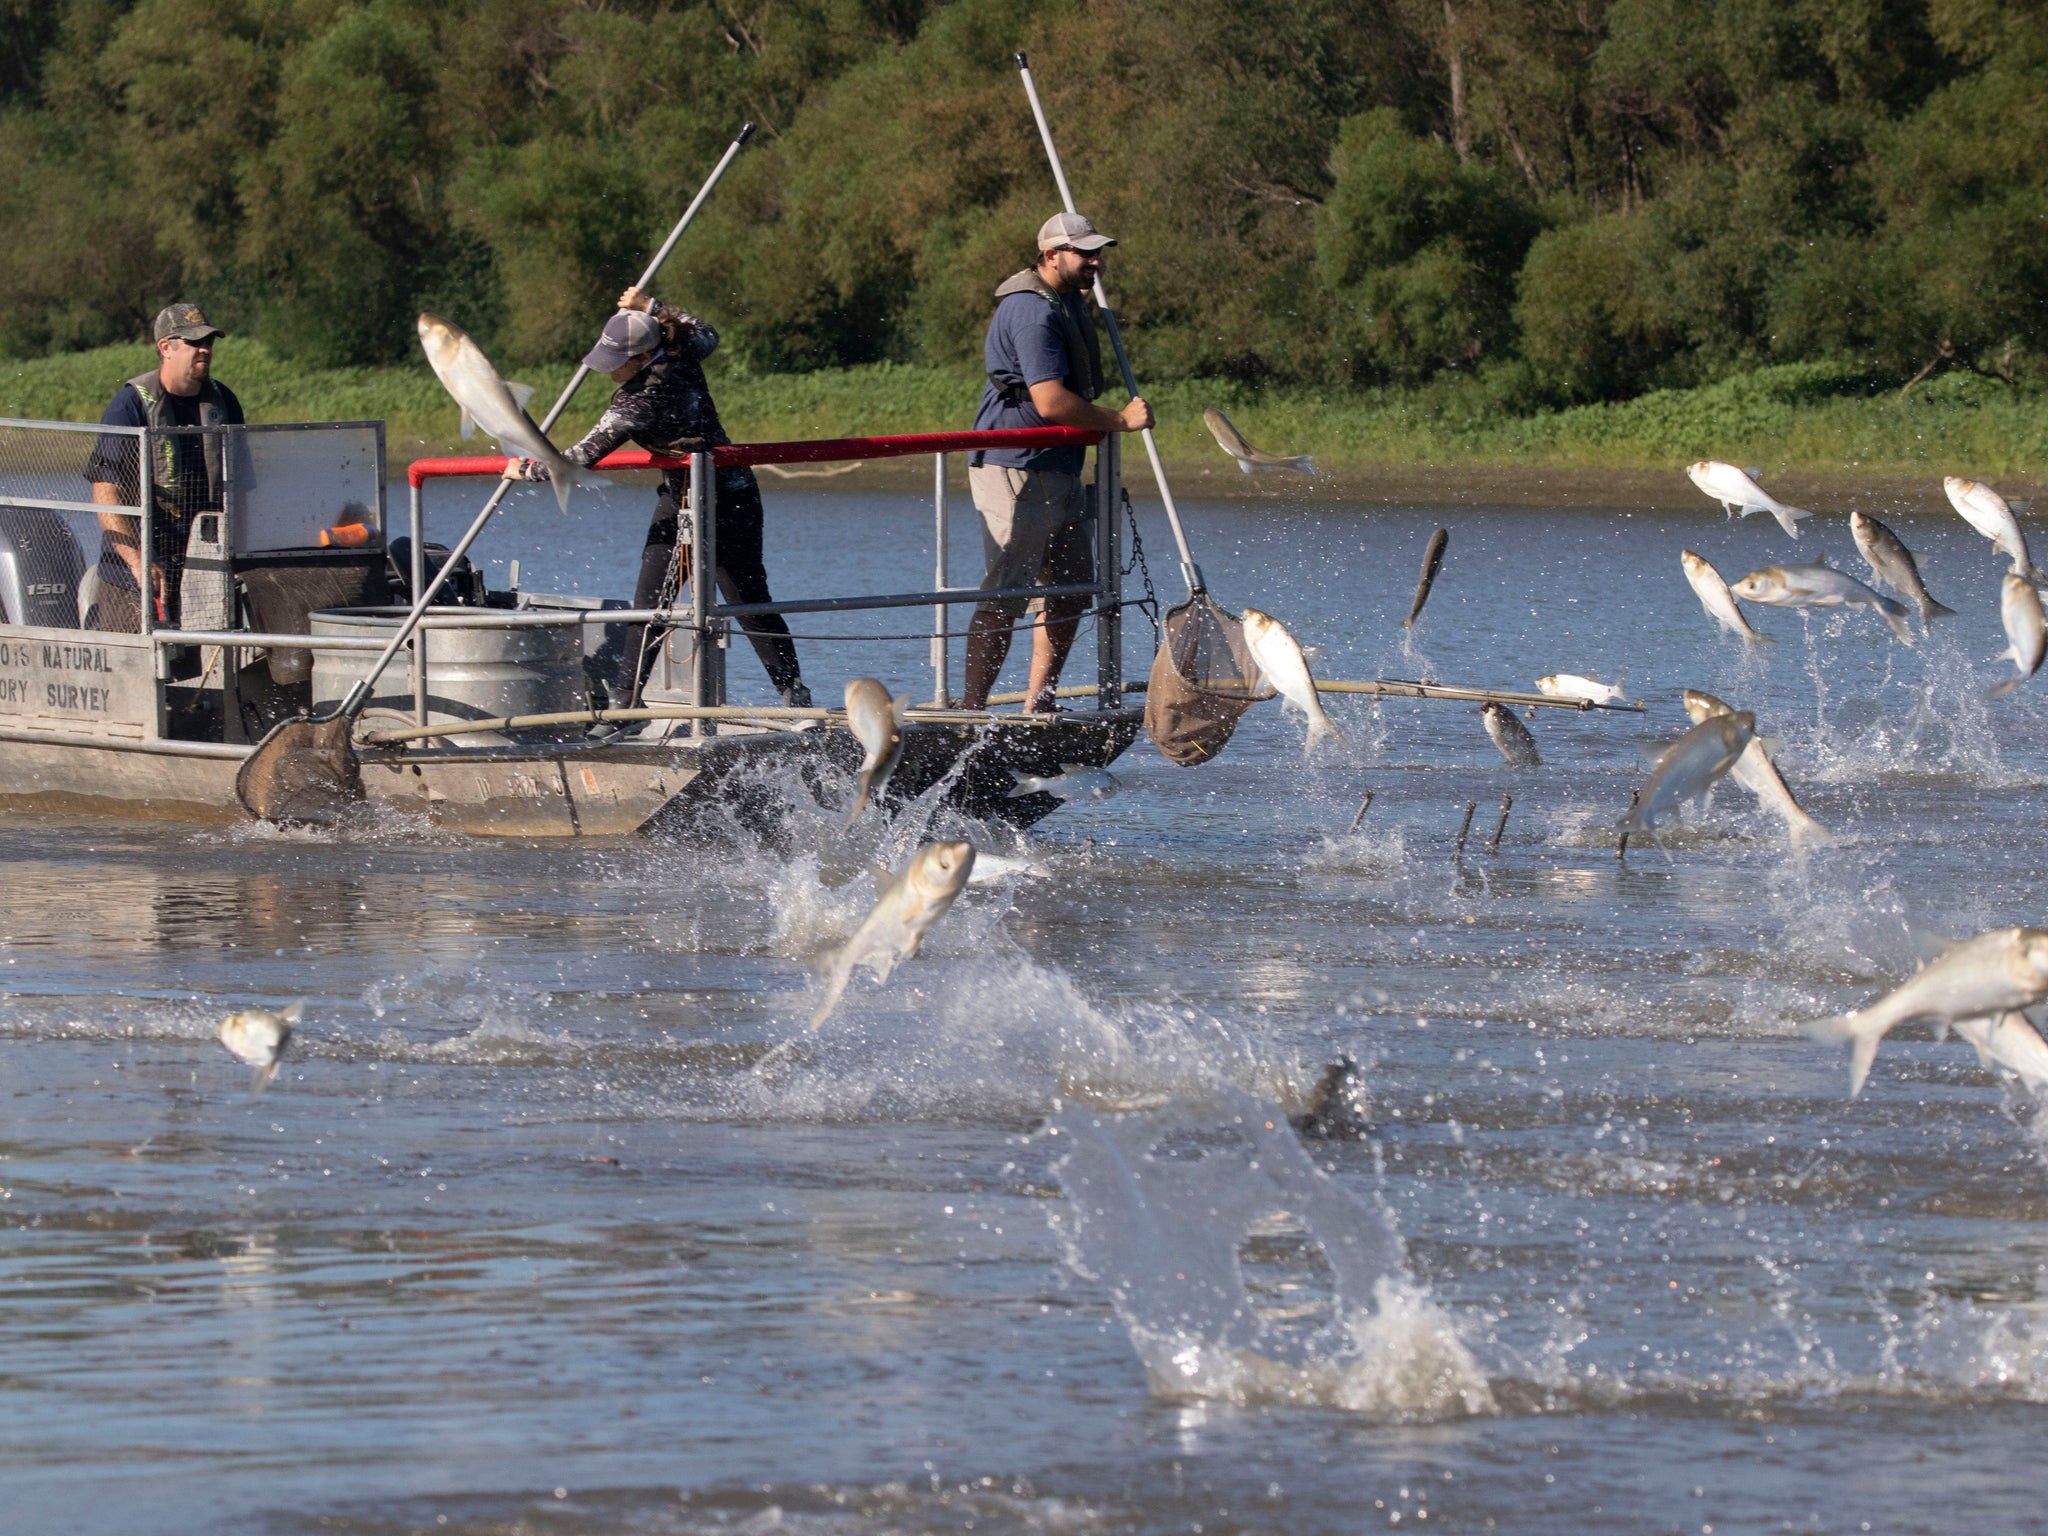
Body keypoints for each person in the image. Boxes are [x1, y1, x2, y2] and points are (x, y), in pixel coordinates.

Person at [508, 288, 809, 708]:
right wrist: (650, 306)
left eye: (617, 362)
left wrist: (526, 470)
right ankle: (632, 701)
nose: (609, 369)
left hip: (716, 500)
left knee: (725, 602)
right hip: (704, 492)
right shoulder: (683, 351)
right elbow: (706, 331)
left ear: (643, 357)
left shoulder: (638, 402)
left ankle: (791, 696)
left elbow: (579, 458)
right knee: (680, 602)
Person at [961, 212, 1152, 712]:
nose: (1096, 262)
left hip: (1060, 468)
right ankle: (970, 711)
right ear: (1050, 255)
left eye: (1098, 252)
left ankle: (1039, 702)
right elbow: (1050, 401)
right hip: (1016, 466)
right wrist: (1120, 420)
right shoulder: (1032, 312)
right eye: (1084, 253)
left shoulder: (1064, 299)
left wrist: (1081, 290)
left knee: (1072, 586)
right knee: (1007, 592)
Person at [84, 302, 245, 632]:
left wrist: (242, 553)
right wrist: (138, 561)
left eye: (208, 342)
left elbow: (244, 487)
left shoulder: (224, 401)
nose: (204, 349)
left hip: (204, 567)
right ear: (165, 347)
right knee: (135, 660)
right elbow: (105, 493)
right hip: (135, 573)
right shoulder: (129, 406)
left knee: (208, 656)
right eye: (194, 342)